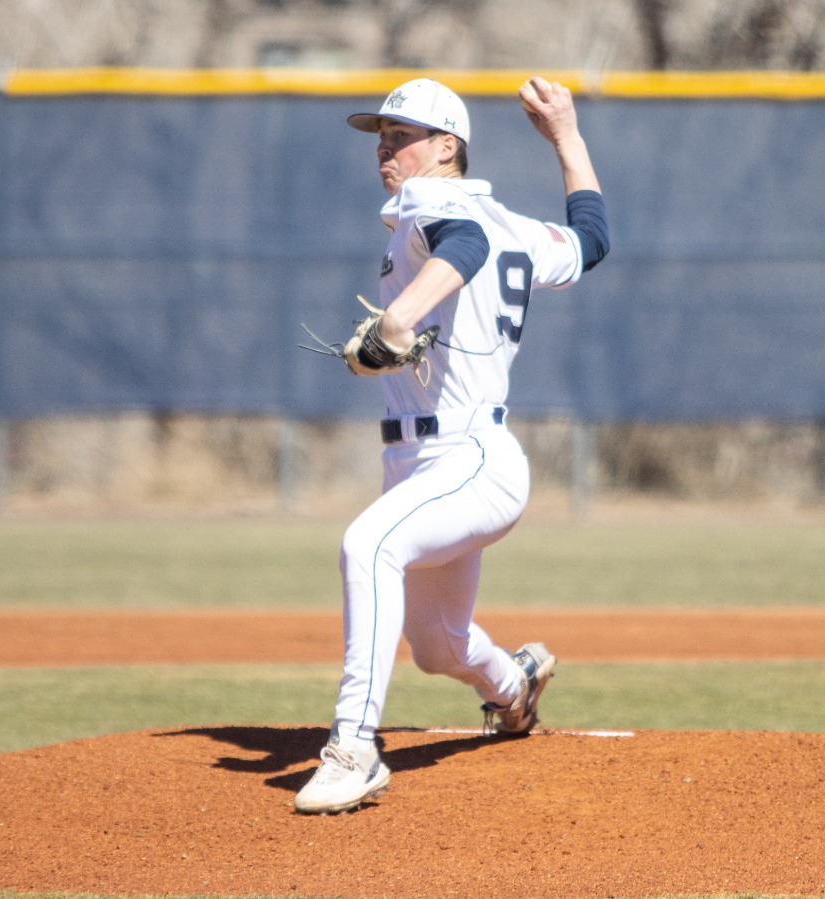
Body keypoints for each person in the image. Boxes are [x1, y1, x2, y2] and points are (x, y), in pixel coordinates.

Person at [293, 75, 610, 815]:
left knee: (368, 545)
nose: (385, 150)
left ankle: (353, 749)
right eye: (381, 138)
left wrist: (398, 319)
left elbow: (464, 244)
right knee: (437, 646)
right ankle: (513, 685)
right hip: (422, 464)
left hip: (469, 458)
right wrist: (566, 137)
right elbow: (591, 240)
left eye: (401, 137)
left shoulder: (433, 202)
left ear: (446, 148)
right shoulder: (515, 225)